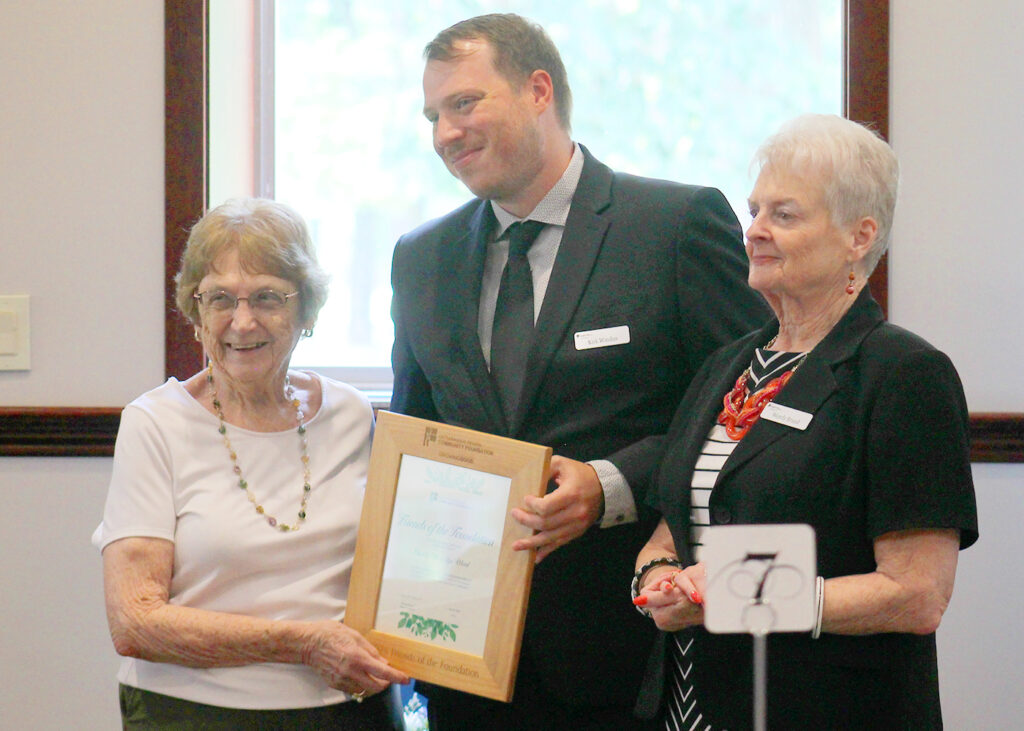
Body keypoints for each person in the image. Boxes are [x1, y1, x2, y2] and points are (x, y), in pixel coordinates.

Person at [389, 13, 769, 729]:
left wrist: (612, 484)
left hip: (627, 657)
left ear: (539, 90)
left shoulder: (674, 224)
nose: (444, 133)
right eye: (433, 114)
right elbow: (417, 437)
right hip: (464, 662)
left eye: (465, 104)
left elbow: (745, 415)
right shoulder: (421, 256)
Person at [632, 114, 979, 729]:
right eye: (754, 210)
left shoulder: (904, 374)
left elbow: (919, 592)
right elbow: (676, 523)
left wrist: (737, 592)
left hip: (824, 707)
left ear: (859, 236)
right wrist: (660, 577)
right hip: (691, 705)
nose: (754, 230)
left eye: (784, 215)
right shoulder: (726, 366)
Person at [93, 198, 409, 730]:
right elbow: (134, 622)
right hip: (197, 712)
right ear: (195, 313)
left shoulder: (352, 414)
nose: (242, 322)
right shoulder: (155, 424)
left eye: (267, 297)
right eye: (220, 298)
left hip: (352, 709)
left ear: (306, 310)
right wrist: (303, 644)